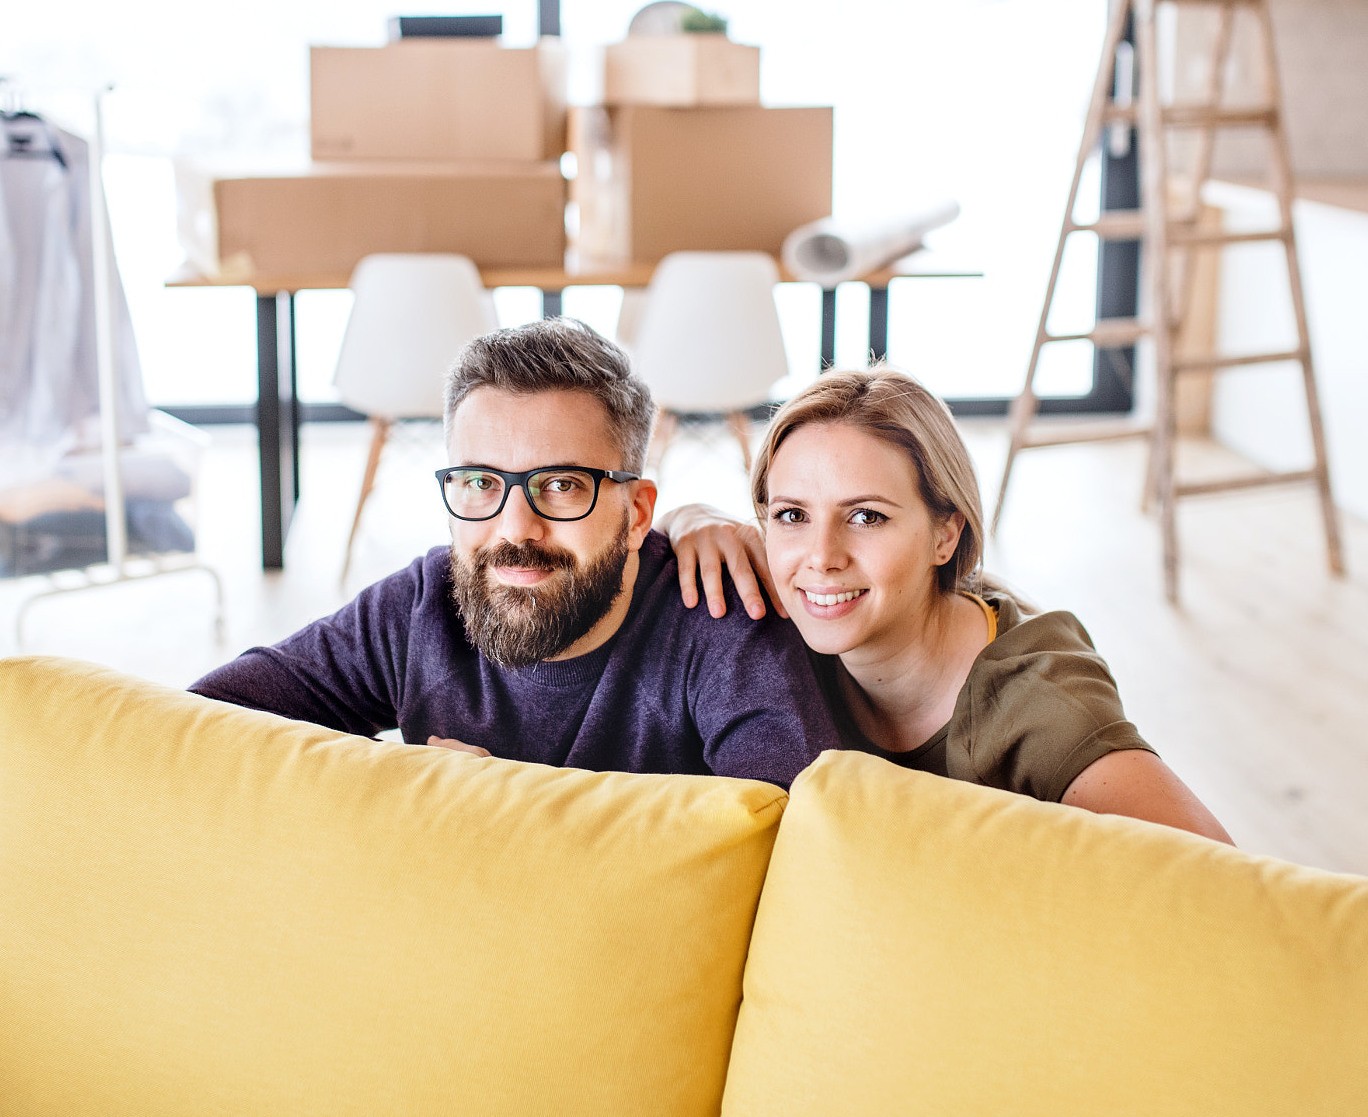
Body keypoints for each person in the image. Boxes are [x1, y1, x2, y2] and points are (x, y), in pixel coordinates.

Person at [190, 318, 839, 788]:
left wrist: (509, 810)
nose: (514, 526)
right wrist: (399, 784)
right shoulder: (421, 610)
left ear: (638, 512)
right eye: (480, 482)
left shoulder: (723, 613)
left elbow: (797, 856)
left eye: (560, 485)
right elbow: (195, 731)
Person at [664, 366, 1232, 841]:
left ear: (946, 534)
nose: (821, 556)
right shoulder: (779, 606)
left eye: (866, 517)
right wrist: (688, 519)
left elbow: (1227, 883)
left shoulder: (1038, 701)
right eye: (792, 515)